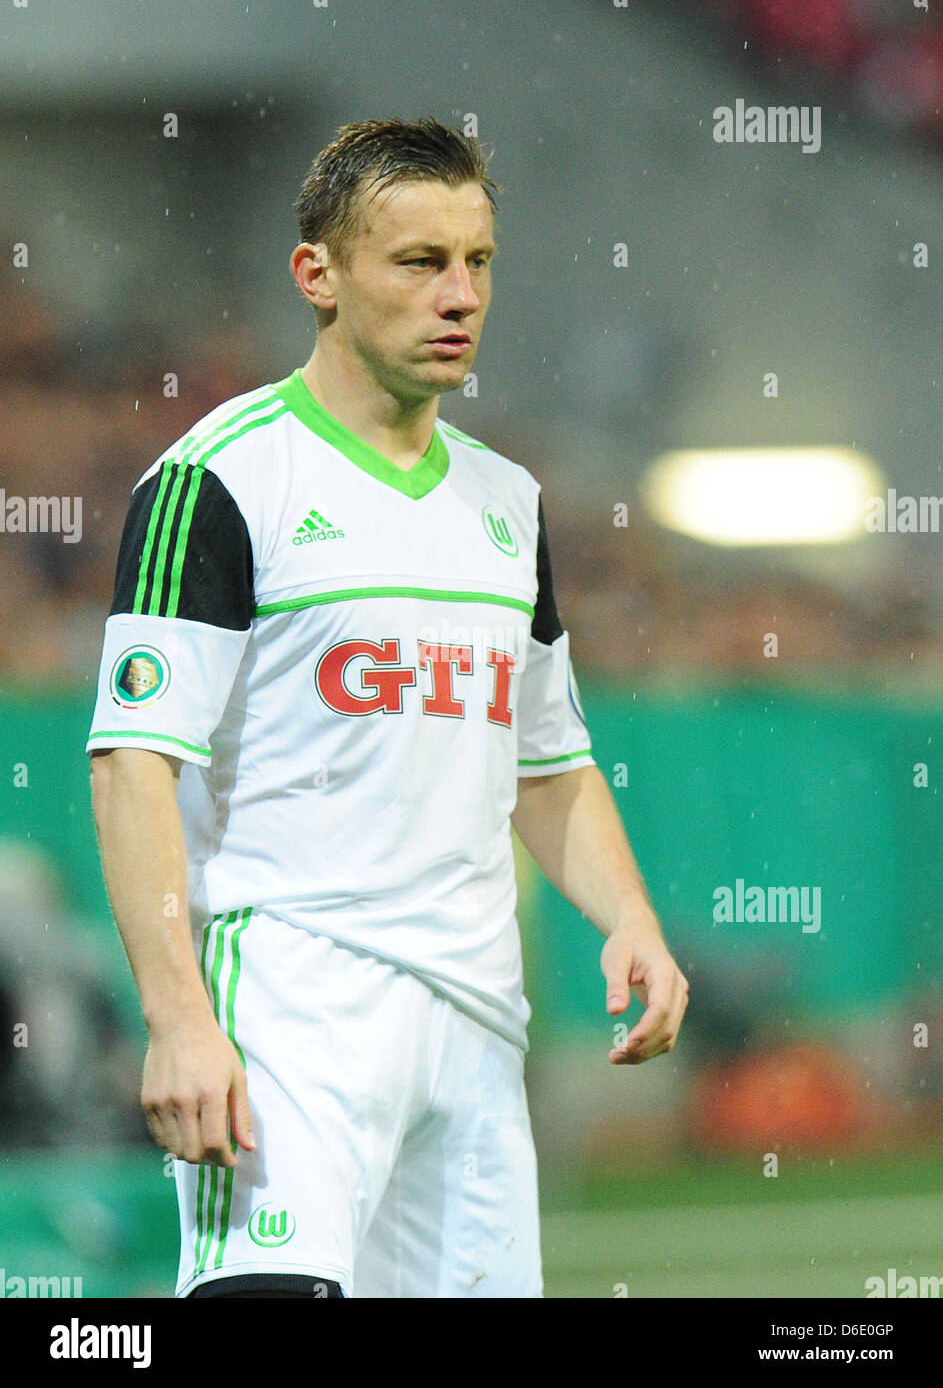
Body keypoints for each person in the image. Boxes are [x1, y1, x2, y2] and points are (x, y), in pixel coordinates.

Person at [86, 117, 689, 1300]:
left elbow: (547, 761)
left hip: (475, 1024)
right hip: (291, 1009)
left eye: (478, 261)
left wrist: (632, 918)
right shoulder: (219, 479)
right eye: (418, 261)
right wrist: (177, 1018)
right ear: (318, 273)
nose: (459, 294)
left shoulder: (507, 502)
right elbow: (132, 763)